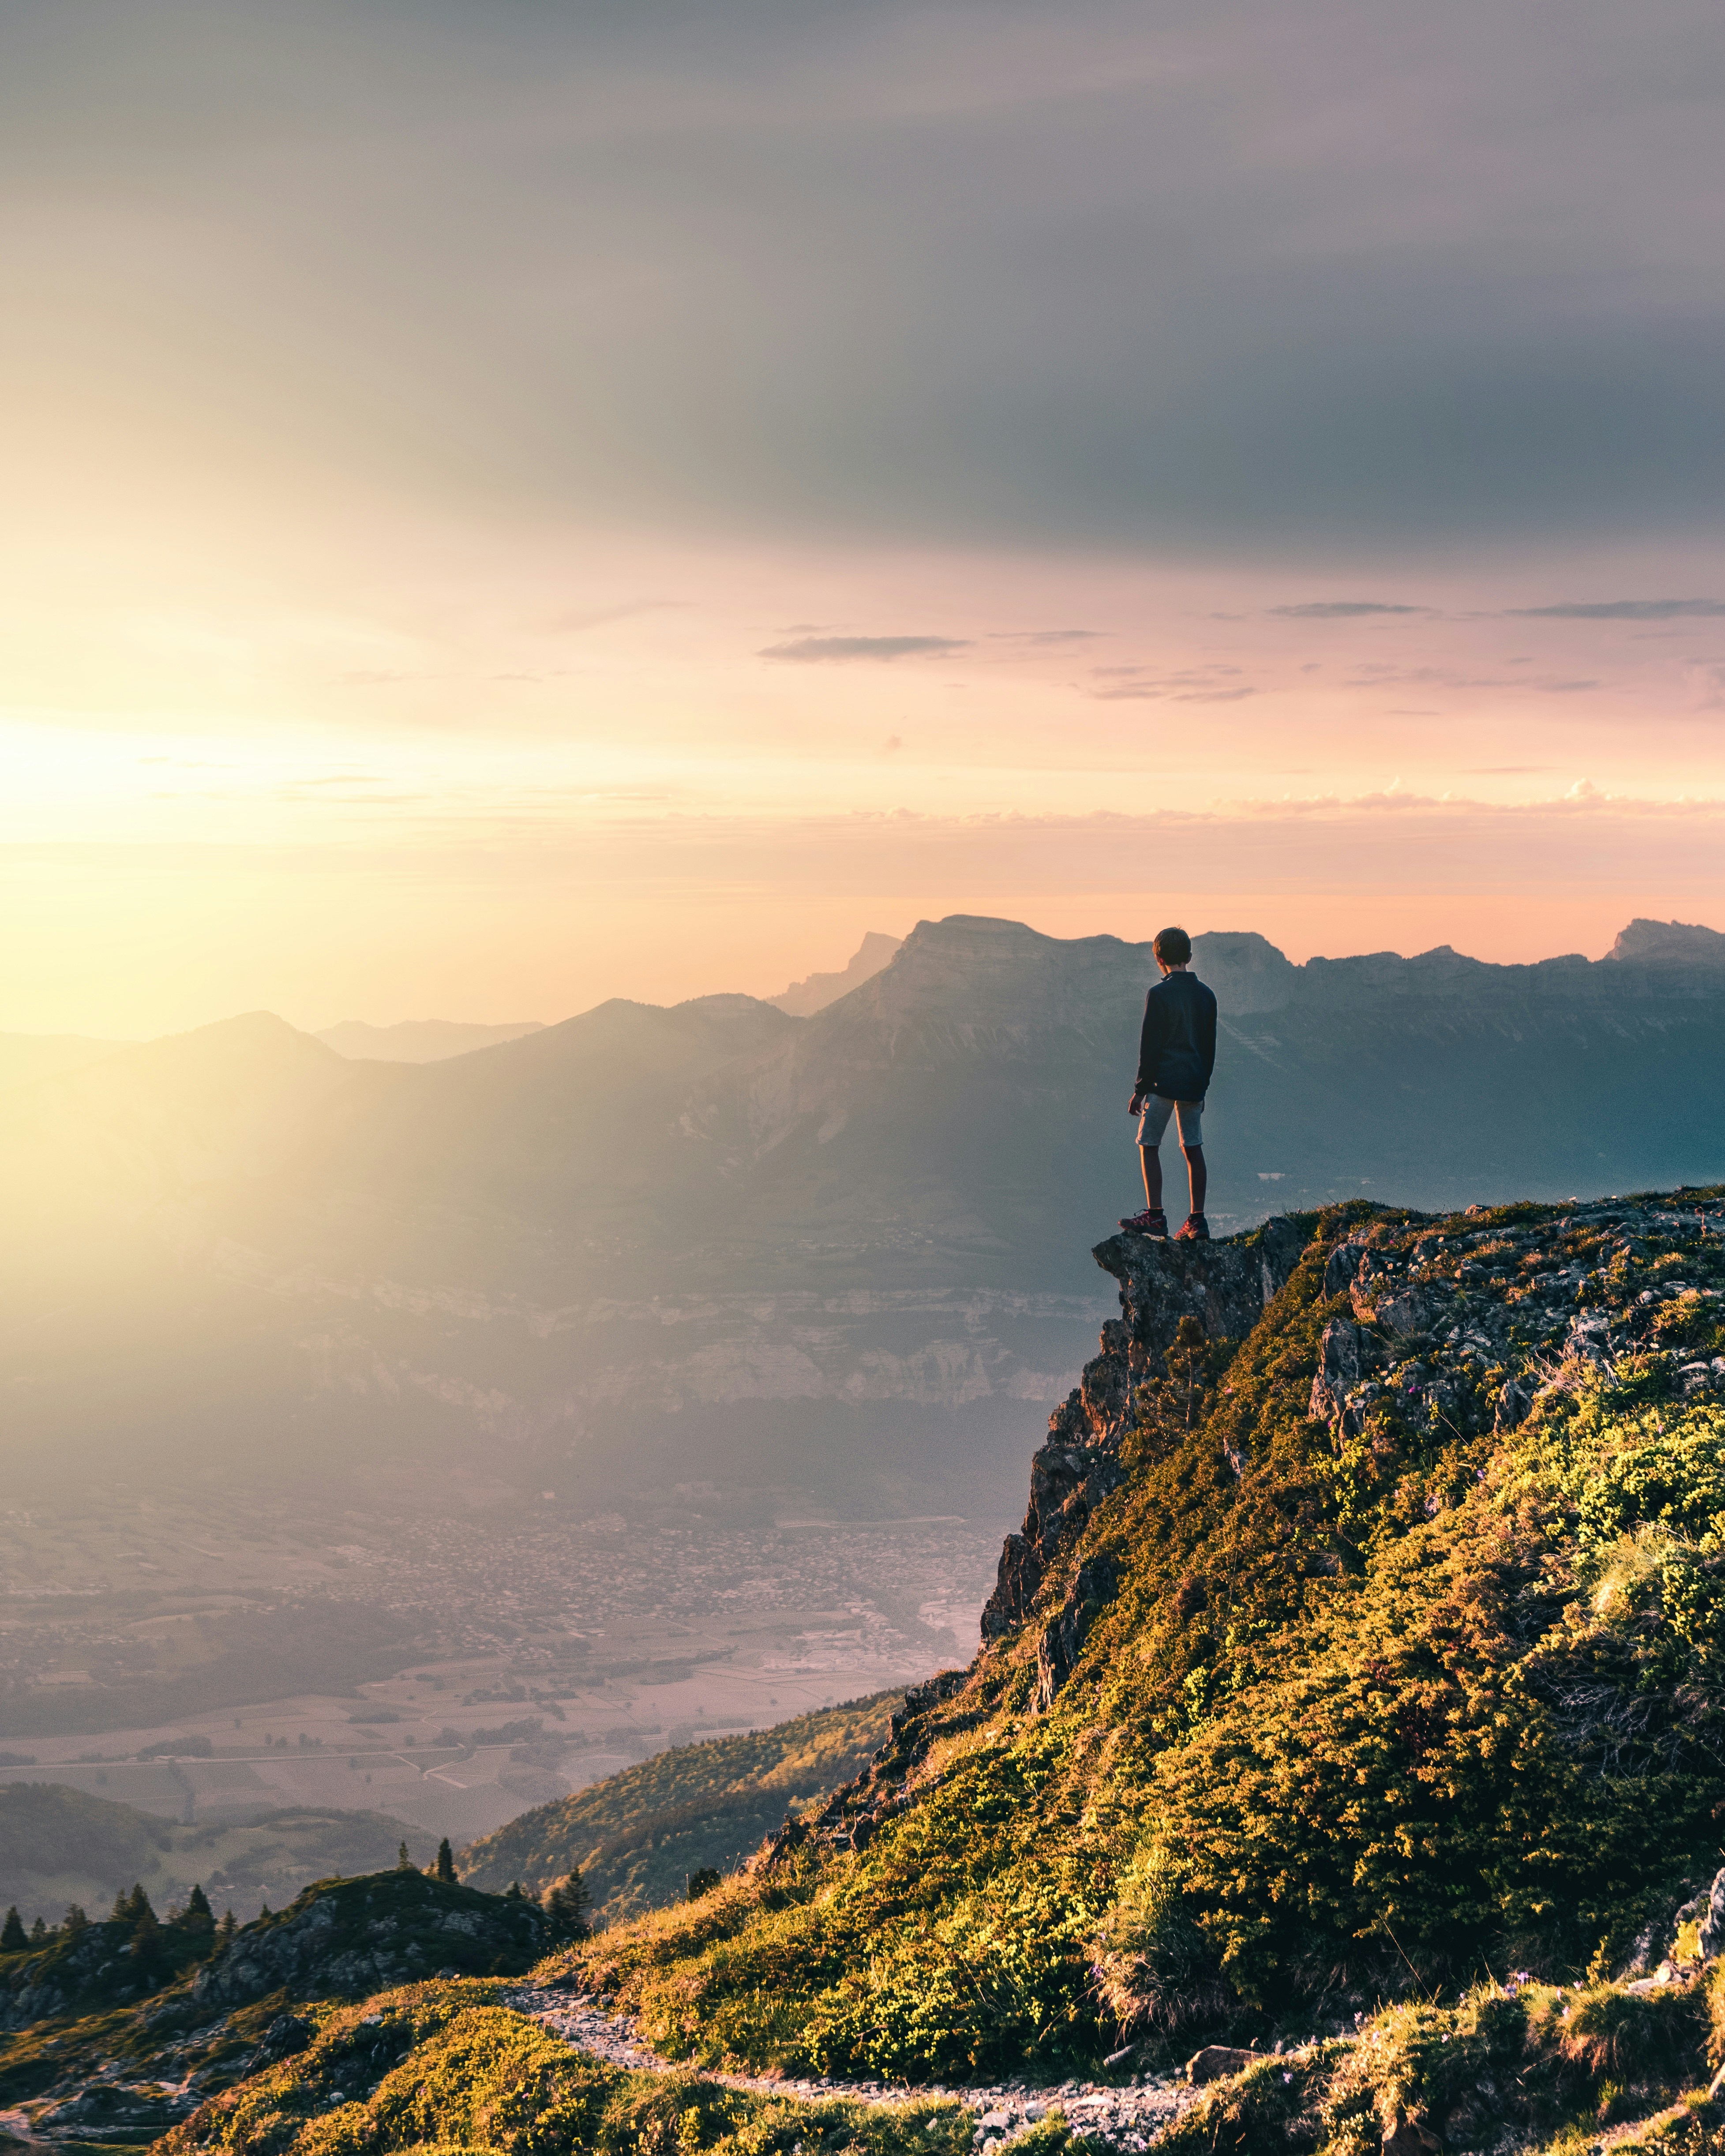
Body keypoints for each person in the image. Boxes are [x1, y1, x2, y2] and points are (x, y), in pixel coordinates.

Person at [1118, 925, 1216, 1241]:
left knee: (1149, 1144)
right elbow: (1209, 1047)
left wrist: (1140, 1090)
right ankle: (1197, 1219)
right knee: (1193, 1147)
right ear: (1189, 956)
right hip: (1192, 1084)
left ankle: (1156, 1215)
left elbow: (1150, 1047)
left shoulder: (1158, 994)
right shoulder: (1206, 996)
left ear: (1159, 959)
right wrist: (1203, 1088)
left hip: (1162, 1083)